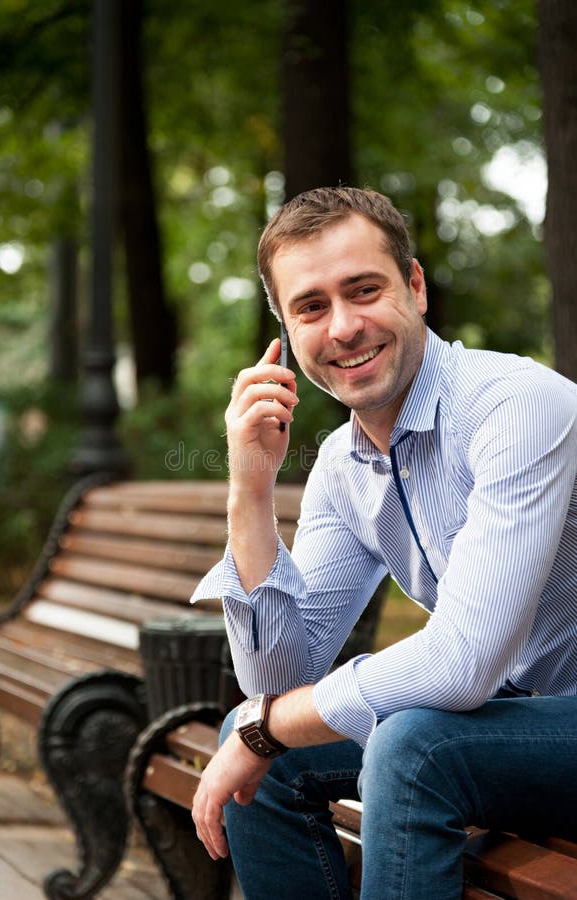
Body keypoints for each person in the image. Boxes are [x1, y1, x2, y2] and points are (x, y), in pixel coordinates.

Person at [190, 186, 577, 899]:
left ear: (415, 287)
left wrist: (266, 724)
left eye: (363, 290)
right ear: (287, 331)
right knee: (261, 749)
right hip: (506, 725)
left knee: (409, 746)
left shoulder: (516, 407)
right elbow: (279, 677)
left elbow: (461, 665)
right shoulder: (342, 465)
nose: (343, 327)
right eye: (311, 307)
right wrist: (249, 490)